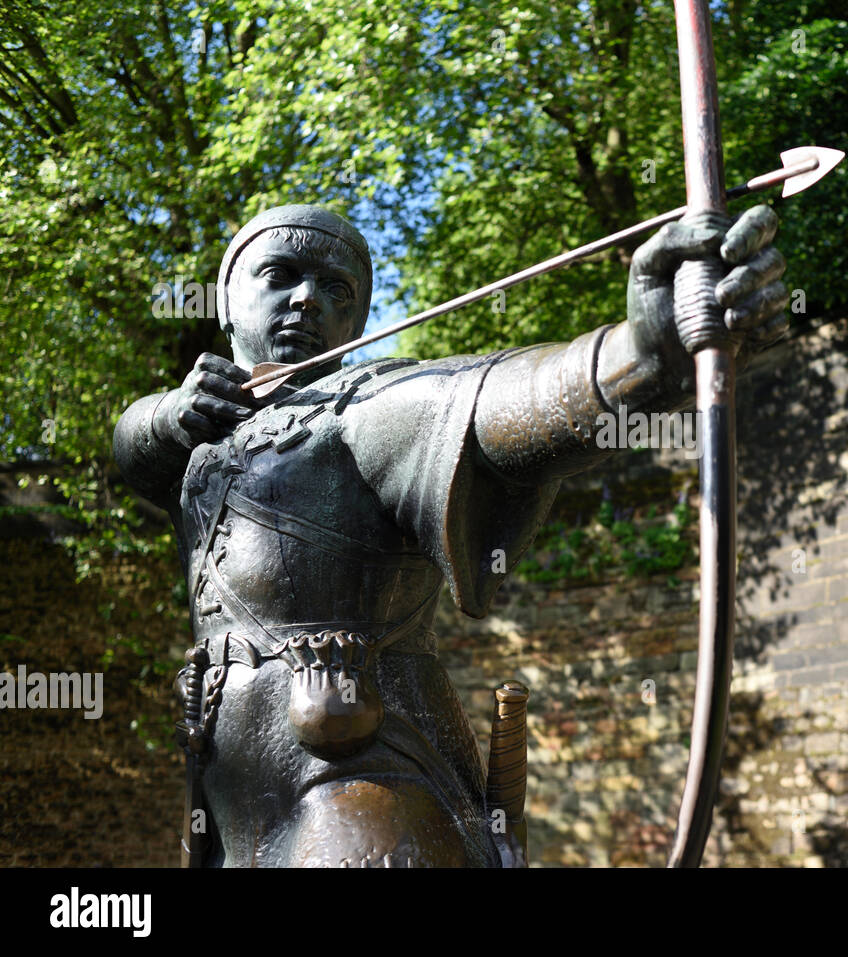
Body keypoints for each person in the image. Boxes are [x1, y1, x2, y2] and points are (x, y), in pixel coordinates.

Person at [113, 202, 788, 866]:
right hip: (233, 780)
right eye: (280, 275)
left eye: (337, 289)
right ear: (227, 301)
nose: (308, 299)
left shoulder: (369, 408)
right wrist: (170, 412)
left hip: (365, 777)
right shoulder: (198, 436)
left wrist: (645, 353)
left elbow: (499, 403)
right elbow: (130, 447)